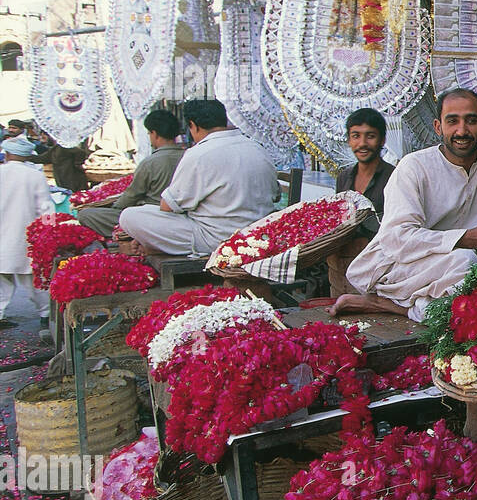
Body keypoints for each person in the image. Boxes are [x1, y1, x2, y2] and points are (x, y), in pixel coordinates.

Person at [331, 88, 477, 323]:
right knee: (467, 265)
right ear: (438, 127)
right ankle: (387, 300)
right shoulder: (413, 167)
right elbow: (397, 239)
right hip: (405, 266)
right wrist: (467, 238)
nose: (462, 131)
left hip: (467, 268)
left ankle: (388, 306)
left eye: (472, 121)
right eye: (452, 121)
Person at [119, 99, 279, 257]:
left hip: (216, 238)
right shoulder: (257, 148)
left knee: (129, 216)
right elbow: (276, 194)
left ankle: (158, 245)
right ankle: (157, 244)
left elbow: (167, 206)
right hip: (259, 232)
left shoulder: (198, 154)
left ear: (193, 126)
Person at [77, 109, 186, 238]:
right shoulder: (188, 157)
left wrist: (115, 208)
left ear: (154, 133)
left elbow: (132, 196)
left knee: (86, 215)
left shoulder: (150, 163)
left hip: (152, 218)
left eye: (148, 133)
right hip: (181, 218)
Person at [327, 107, 396, 296]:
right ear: (349, 140)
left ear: (382, 140)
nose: (362, 143)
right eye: (356, 136)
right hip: (342, 268)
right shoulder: (344, 177)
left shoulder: (394, 177)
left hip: (379, 270)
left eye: (370, 136)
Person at [0, 135, 54, 329]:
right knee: (34, 282)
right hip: (26, 238)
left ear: (6, 154)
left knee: (2, 282)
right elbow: (46, 207)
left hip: (2, 236)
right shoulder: (35, 175)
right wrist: (50, 232)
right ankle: (45, 316)